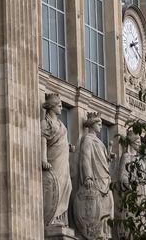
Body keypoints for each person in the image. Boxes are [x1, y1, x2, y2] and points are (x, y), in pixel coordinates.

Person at [74, 112, 113, 238]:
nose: (101, 126)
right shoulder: (88, 140)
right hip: (95, 180)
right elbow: (85, 159)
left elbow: (99, 160)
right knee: (98, 208)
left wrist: (108, 158)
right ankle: (97, 232)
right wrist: (88, 177)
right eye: (99, 124)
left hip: (104, 180)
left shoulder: (98, 141)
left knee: (107, 209)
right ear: (92, 124)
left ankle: (105, 232)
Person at [41, 93, 72, 225]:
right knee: (56, 187)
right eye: (59, 105)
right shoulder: (45, 123)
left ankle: (60, 217)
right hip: (53, 161)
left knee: (67, 187)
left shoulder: (61, 124)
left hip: (63, 161)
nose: (61, 108)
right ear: (52, 107)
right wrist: (43, 159)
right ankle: (52, 217)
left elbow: (60, 140)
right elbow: (42, 140)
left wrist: (69, 147)